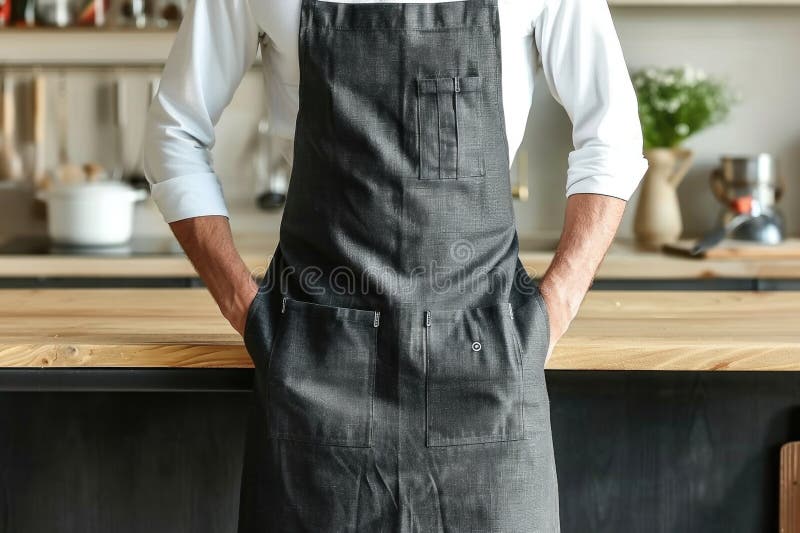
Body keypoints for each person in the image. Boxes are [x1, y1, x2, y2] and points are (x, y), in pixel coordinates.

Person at [143, 0, 648, 530]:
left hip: (487, 358)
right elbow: (174, 131)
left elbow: (612, 136)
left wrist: (554, 308)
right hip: (315, 370)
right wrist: (246, 308)